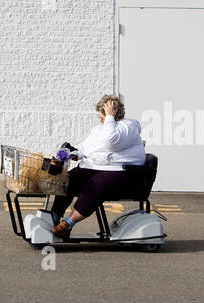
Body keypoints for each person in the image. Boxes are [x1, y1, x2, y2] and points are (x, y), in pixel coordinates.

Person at [49, 94, 146, 238]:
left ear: (112, 113)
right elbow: (86, 147)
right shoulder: (101, 129)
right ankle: (53, 217)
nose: (101, 118)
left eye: (102, 114)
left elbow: (110, 142)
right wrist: (73, 153)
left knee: (95, 184)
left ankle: (67, 224)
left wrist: (109, 117)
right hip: (98, 168)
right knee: (70, 178)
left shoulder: (129, 126)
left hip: (123, 171)